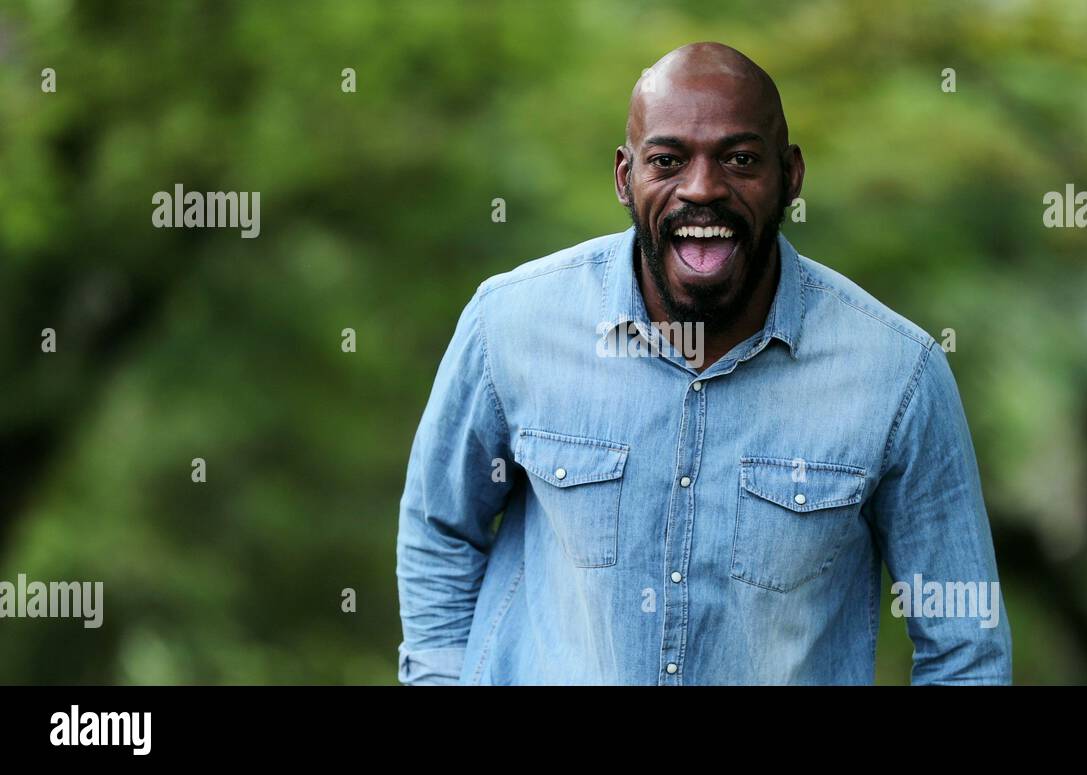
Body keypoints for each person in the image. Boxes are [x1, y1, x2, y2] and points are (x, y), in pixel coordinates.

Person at [397, 42, 1011, 685]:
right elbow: (440, 528)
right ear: (623, 176)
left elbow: (965, 644)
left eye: (740, 160)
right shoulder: (512, 325)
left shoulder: (896, 374)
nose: (702, 189)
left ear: (791, 176)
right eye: (667, 160)